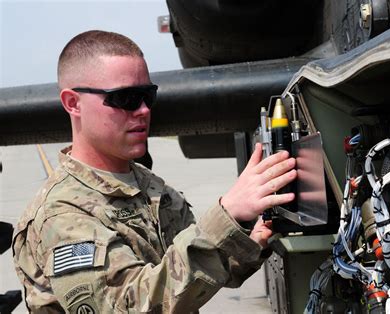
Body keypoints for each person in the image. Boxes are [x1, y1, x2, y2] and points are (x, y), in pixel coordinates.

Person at [12, 30, 296, 313]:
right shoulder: (61, 215)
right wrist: (226, 215)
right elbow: (130, 306)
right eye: (126, 98)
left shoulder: (149, 187)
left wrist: (247, 237)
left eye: (148, 96)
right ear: (73, 103)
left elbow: (192, 279)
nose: (144, 110)